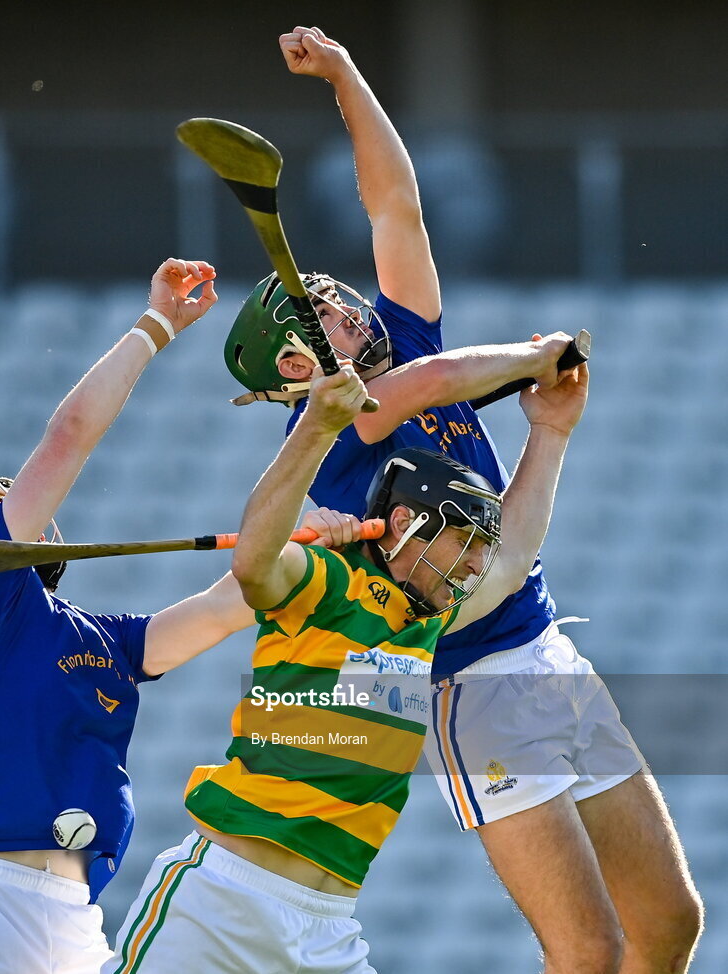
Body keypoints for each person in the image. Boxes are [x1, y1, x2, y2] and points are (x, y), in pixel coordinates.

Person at [223, 26, 704, 974]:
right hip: (474, 688)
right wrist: (530, 358)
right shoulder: (329, 433)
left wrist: (348, 76)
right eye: (320, 311)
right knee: (592, 953)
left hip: (543, 642)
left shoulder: (393, 343)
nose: (350, 305)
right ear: (292, 367)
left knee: (672, 924)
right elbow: (425, 386)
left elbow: (394, 207)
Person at [102, 352, 588, 974]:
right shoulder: (323, 578)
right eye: (465, 541)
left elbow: (514, 558)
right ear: (408, 521)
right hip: (222, 903)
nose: (473, 565)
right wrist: (317, 428)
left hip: (329, 929)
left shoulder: (428, 624)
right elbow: (254, 563)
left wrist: (551, 431)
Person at [0, 259, 256, 974]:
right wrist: (154, 328)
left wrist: (323, 544)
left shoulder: (101, 639)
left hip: (76, 924)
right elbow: (68, 436)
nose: (15, 502)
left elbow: (232, 602)